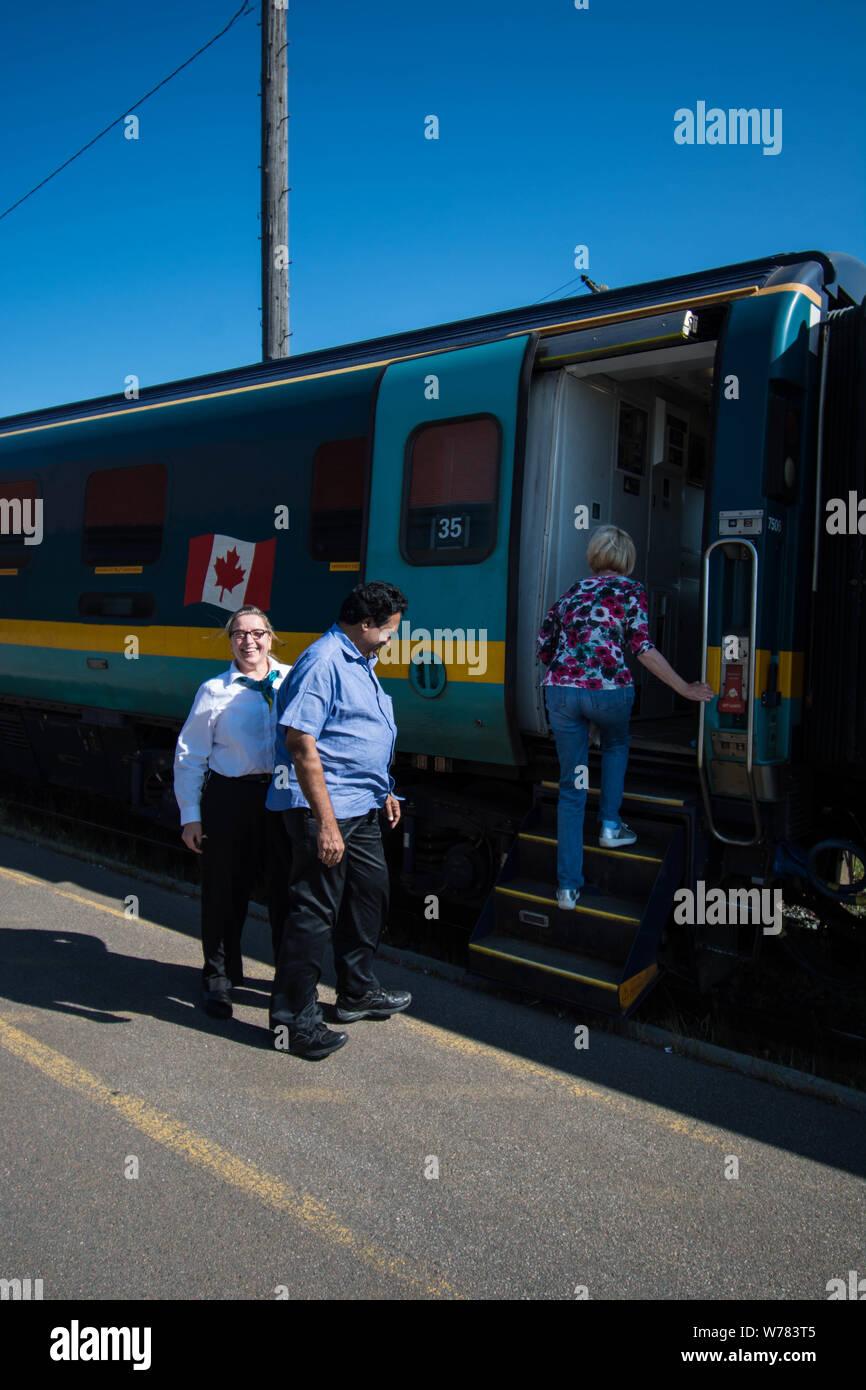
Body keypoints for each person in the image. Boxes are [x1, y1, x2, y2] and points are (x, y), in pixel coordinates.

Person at [267, 581, 412, 1061]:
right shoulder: (324, 661)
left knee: (370, 894)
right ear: (366, 624)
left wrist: (385, 788)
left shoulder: (360, 661)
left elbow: (357, 736)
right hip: (325, 808)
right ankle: (294, 1022)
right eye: (387, 631)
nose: (391, 639)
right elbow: (301, 745)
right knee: (313, 913)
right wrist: (326, 824)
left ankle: (355, 991)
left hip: (363, 804)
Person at [536, 525, 714, 910]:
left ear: (595, 555)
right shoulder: (631, 591)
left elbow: (544, 644)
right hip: (608, 696)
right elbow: (642, 647)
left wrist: (571, 681)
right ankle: (611, 825)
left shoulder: (572, 592)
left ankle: (567, 889)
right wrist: (685, 688)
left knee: (573, 788)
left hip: (562, 695)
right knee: (616, 743)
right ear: (627, 559)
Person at [174, 605, 292, 1018]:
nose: (249, 641)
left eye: (257, 633)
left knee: (286, 893)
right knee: (225, 891)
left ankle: (289, 982)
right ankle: (220, 977)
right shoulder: (213, 691)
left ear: (270, 637)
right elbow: (190, 755)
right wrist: (191, 815)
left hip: (283, 798)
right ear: (231, 641)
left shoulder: (293, 680)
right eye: (239, 634)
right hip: (231, 798)